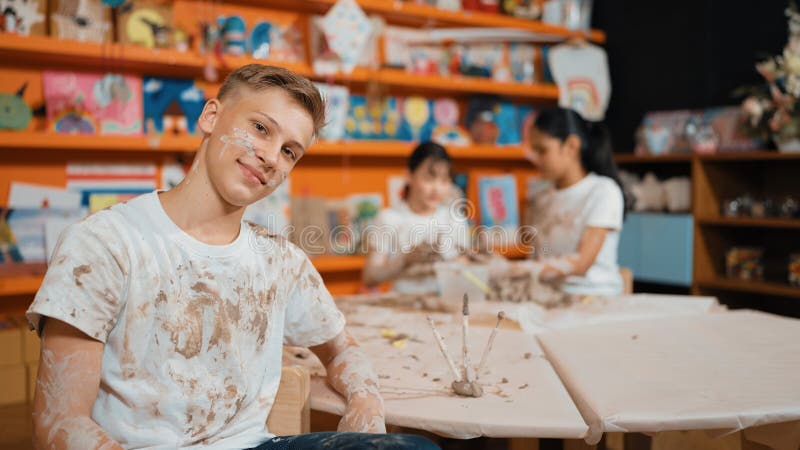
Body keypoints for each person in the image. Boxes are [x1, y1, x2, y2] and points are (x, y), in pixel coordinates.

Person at [27, 64, 439, 450]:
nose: (272, 157)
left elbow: (343, 350)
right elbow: (61, 423)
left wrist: (364, 403)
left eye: (290, 151)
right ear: (210, 117)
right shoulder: (103, 244)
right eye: (260, 128)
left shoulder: (280, 260)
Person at [521, 106, 627, 296]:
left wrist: (515, 270)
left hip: (595, 298)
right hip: (550, 299)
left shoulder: (602, 191)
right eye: (533, 151)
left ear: (571, 146)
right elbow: (537, 260)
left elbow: (581, 263)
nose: (535, 159)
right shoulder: (540, 199)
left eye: (542, 150)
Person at [362, 142, 469, 295]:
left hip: (445, 303)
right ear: (409, 176)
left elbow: (467, 268)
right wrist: (404, 260)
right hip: (402, 305)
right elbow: (369, 277)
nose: (436, 188)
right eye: (429, 179)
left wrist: (451, 264)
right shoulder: (389, 218)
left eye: (444, 181)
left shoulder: (455, 218)